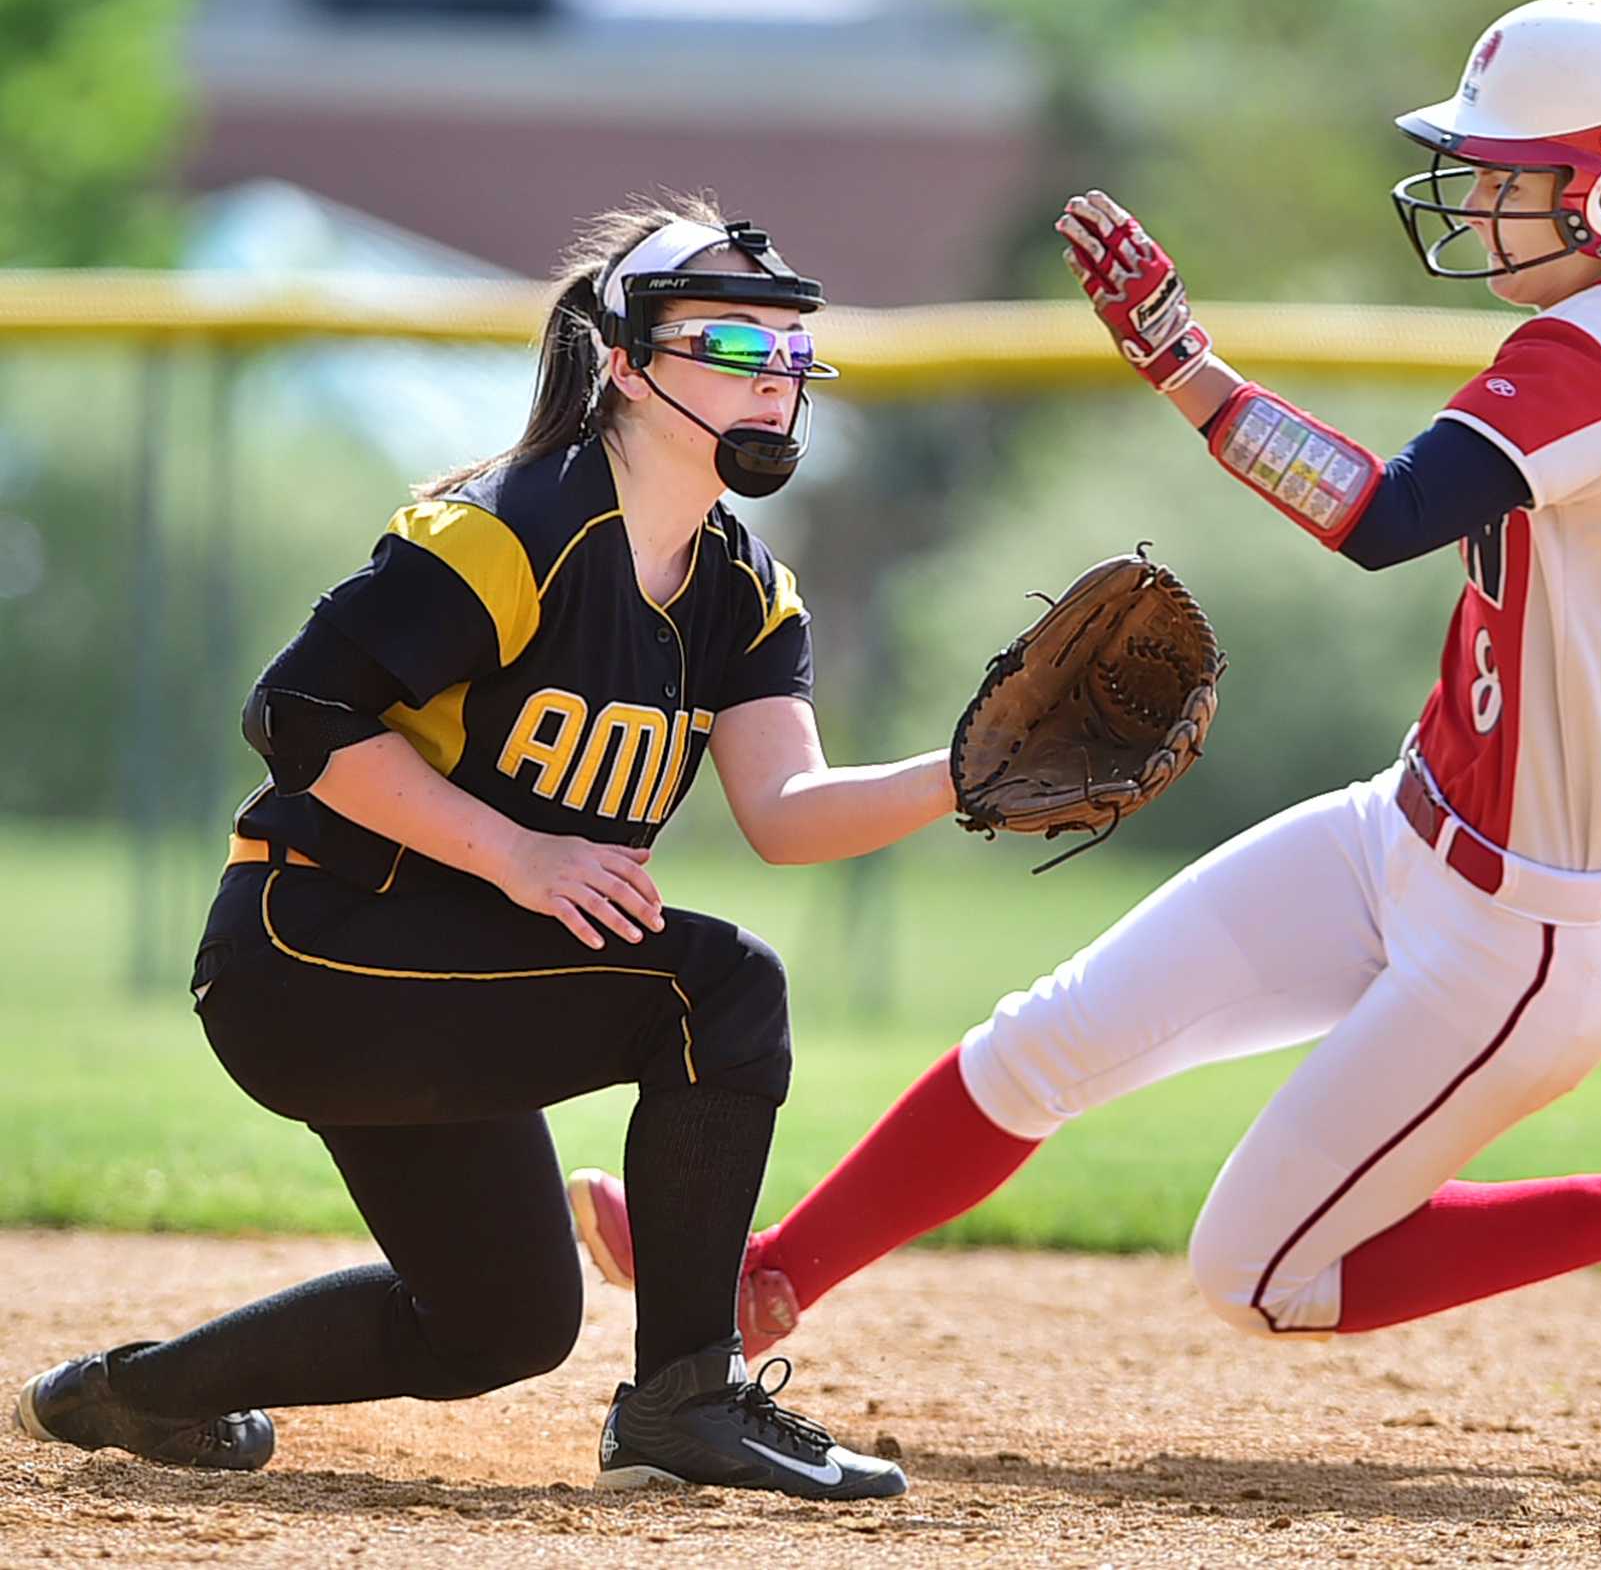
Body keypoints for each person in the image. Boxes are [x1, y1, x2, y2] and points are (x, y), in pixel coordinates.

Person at [571, 0, 1601, 1357]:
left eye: (1516, 176)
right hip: (1405, 828)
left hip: (1522, 937)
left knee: (1259, 1276)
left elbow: (1378, 514)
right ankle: (766, 1278)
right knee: (1046, 1041)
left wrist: (1185, 365)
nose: (1478, 198)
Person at [12, 195, 964, 1499]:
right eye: (734, 345)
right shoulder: (511, 526)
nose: (774, 376)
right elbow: (296, 711)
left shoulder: (744, 590)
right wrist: (517, 853)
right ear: (624, 362)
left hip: (450, 970)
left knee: (500, 1324)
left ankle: (137, 1394)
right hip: (310, 951)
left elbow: (786, 808)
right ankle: (685, 1401)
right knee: (720, 986)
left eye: (790, 350)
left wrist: (960, 777)